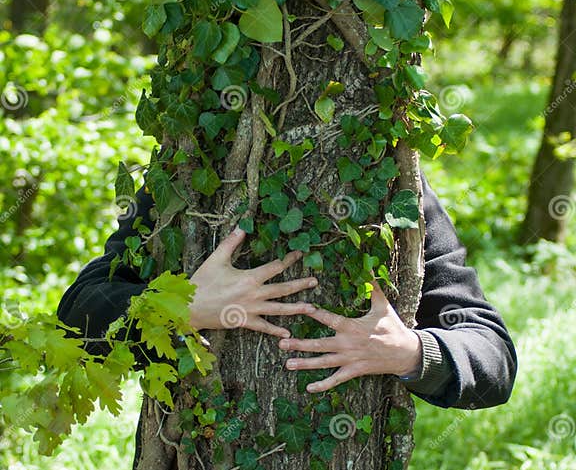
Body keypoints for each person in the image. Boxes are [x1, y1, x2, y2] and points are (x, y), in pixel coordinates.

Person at [57, 170, 518, 412]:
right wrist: (182, 307)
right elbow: (76, 320)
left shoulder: (395, 180)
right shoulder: (182, 172)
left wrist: (410, 353)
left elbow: (493, 357)